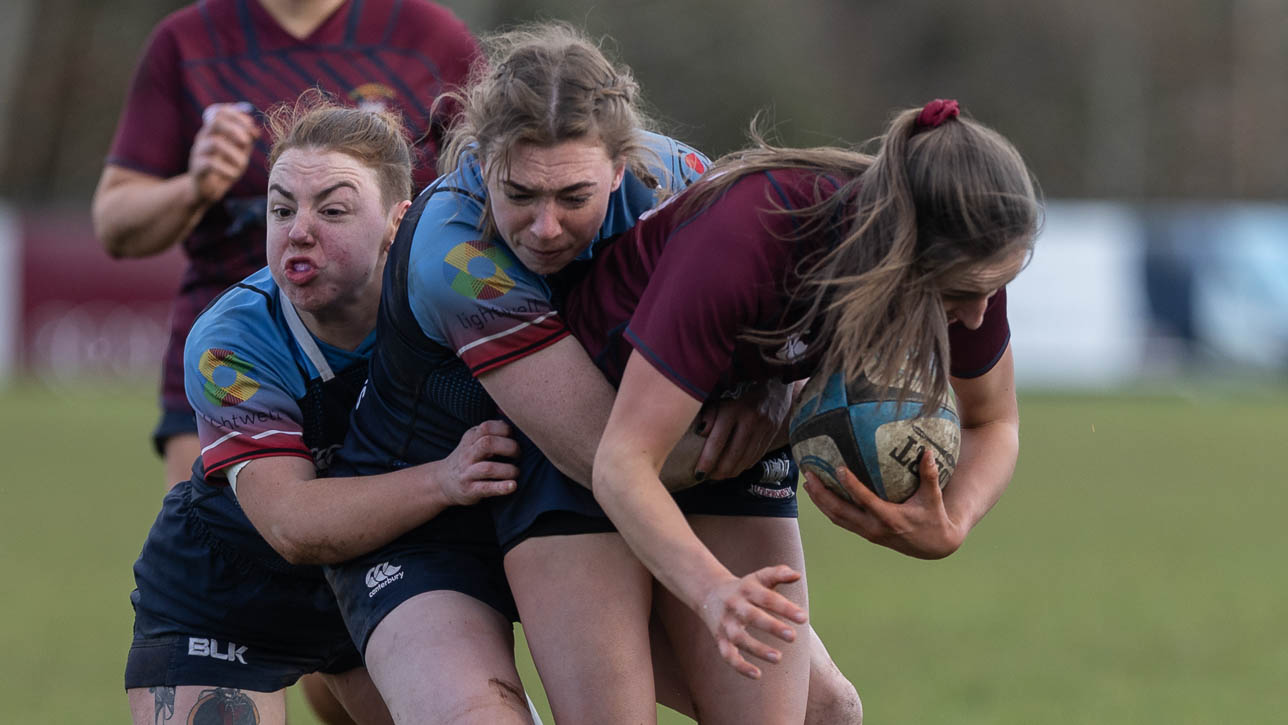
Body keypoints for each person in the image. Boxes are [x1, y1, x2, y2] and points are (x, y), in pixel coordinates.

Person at [323, 22, 862, 725]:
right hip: (434, 518)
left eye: (574, 197)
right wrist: (779, 421)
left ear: (621, 165)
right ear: (483, 160)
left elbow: (782, 313)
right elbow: (613, 454)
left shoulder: (682, 186)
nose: (545, 227)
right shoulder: (452, 255)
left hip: (562, 473)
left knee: (827, 711)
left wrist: (772, 385)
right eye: (519, 193)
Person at [574, 99, 1040, 720]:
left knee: (827, 714)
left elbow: (995, 421)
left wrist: (953, 520)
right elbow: (621, 463)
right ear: (902, 247)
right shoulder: (752, 235)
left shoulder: (967, 259)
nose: (979, 315)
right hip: (588, 440)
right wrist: (713, 593)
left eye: (992, 288)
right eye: (962, 294)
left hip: (717, 435)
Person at [124, 96, 525, 725]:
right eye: (281, 209)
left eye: (332, 209)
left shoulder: (453, 286)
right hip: (230, 590)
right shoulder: (231, 340)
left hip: (392, 564)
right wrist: (447, 479)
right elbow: (293, 525)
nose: (298, 229)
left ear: (400, 219)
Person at [91, 0, 480, 490]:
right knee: (221, 547)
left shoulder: (429, 35)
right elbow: (114, 223)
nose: (300, 228)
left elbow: (497, 186)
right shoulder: (188, 41)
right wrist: (195, 185)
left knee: (407, 550)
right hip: (234, 360)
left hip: (398, 358)